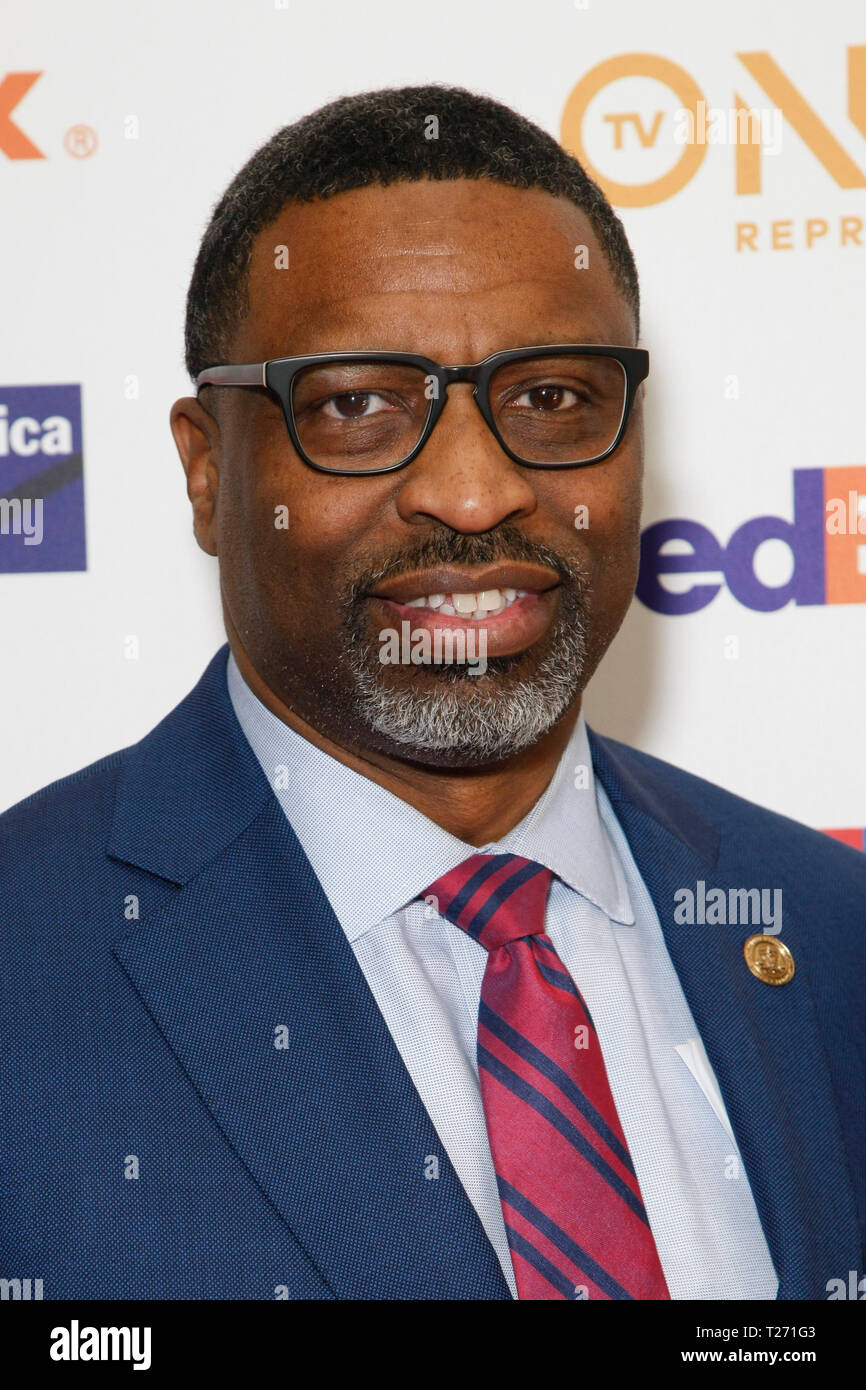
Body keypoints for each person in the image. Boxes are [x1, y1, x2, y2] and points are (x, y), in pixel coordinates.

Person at [2, 85, 863, 1302]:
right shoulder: (22, 960)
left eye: (552, 398)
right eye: (356, 405)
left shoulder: (827, 929)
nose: (471, 492)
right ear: (207, 471)